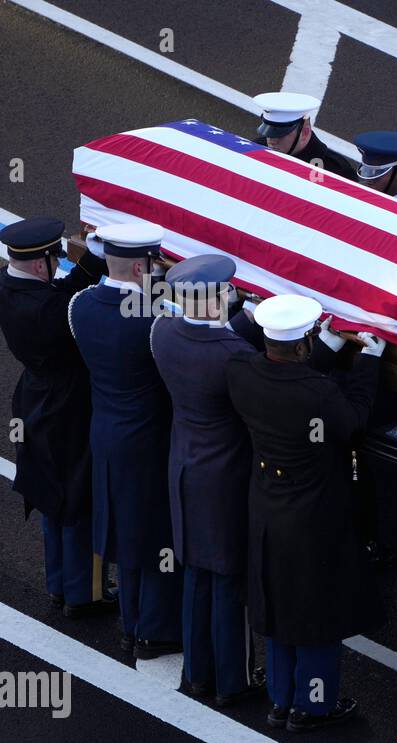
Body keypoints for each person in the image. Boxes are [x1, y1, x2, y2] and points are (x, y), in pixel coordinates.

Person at [225, 295, 386, 732]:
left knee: (279, 605)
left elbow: (291, 376)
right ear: (302, 346)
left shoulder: (242, 372)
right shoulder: (317, 393)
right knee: (316, 612)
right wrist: (369, 362)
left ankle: (281, 700)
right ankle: (313, 707)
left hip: (267, 503)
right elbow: (352, 420)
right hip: (314, 516)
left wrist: (326, 346)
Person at [151, 255, 264, 705]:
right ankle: (232, 681)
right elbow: (242, 364)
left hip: (184, 467)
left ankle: (197, 672)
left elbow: (213, 341)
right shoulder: (235, 355)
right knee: (228, 581)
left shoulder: (162, 332)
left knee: (196, 574)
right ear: (218, 298)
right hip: (225, 480)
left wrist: (244, 319)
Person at [69, 221, 182, 657]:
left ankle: (132, 622)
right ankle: (153, 629)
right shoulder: (156, 322)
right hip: (150, 442)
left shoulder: (79, 306)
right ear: (142, 267)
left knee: (124, 533)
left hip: (106, 434)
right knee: (155, 536)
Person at [0, 217, 116, 617]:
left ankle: (61, 585)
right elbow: (68, 304)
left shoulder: (8, 285)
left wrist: (92, 263)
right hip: (66, 410)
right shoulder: (47, 311)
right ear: (40, 264)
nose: (56, 266)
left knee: (51, 498)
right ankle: (85, 594)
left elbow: (60, 292)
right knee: (78, 500)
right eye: (53, 260)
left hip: (35, 402)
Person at [254, 91, 354, 180]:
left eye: (280, 135)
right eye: (268, 133)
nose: (271, 141)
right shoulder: (256, 148)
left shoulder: (336, 172)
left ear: (305, 132)